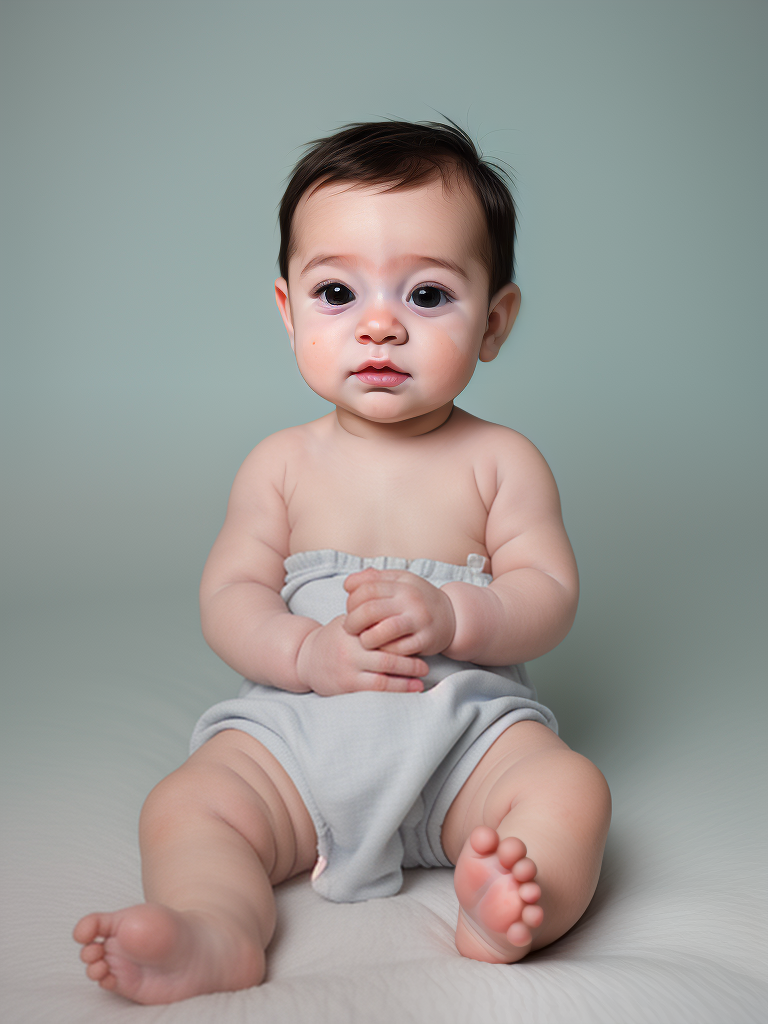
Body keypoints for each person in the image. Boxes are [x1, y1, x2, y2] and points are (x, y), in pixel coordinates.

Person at [74, 120, 611, 1005]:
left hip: (463, 739)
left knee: (571, 791)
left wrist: (456, 616)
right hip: (296, 735)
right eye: (335, 292)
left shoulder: (503, 462)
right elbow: (230, 596)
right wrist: (304, 655)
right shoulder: (280, 465)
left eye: (429, 295)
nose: (379, 326)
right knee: (186, 807)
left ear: (495, 321)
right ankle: (220, 927)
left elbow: (548, 595)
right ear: (286, 310)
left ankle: (513, 907)